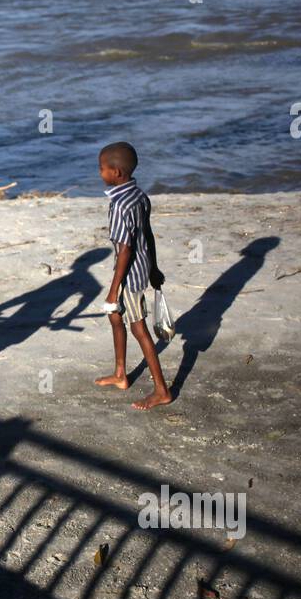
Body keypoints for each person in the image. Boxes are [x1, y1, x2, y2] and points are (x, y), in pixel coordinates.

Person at [93, 141, 173, 410]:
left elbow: (125, 249)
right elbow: (147, 236)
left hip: (128, 277)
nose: (99, 172)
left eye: (102, 168)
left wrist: (114, 290)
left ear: (116, 173)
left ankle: (161, 390)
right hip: (139, 270)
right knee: (115, 317)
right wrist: (153, 267)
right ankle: (120, 375)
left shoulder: (120, 206)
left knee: (139, 329)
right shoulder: (139, 196)